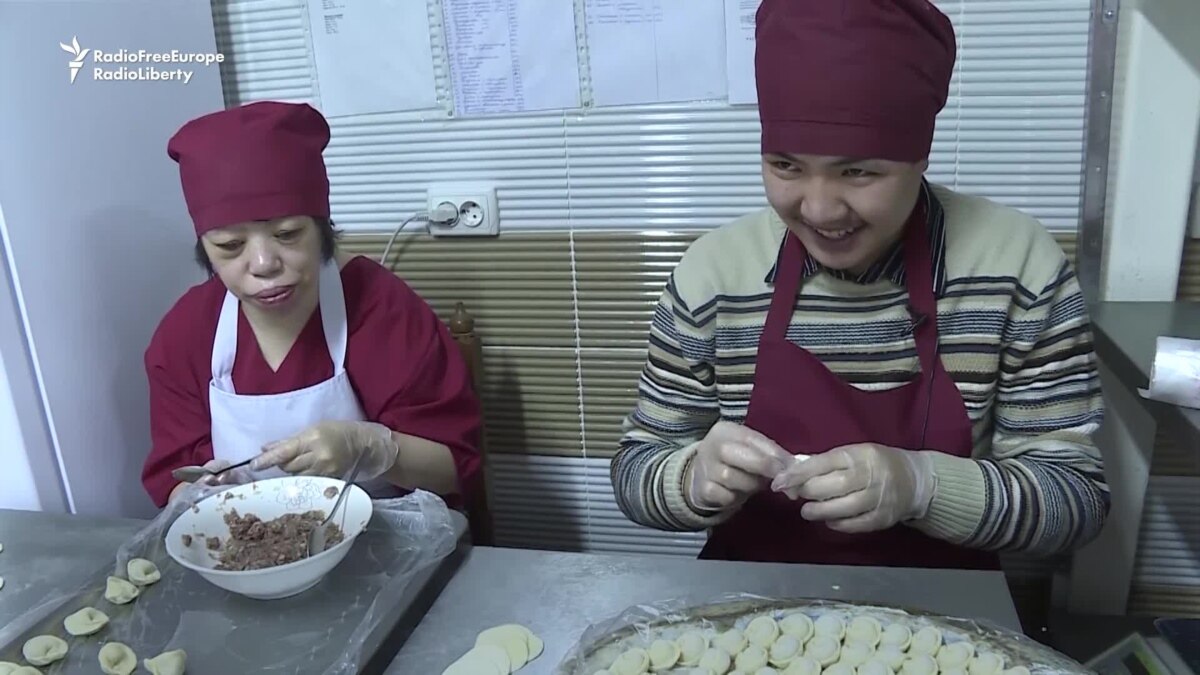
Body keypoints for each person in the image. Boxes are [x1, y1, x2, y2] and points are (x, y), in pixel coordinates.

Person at [609, 0, 1109, 568]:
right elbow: (635, 470)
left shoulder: (1016, 267)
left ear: (919, 156)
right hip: (749, 601)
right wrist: (689, 479)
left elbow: (1077, 500)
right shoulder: (715, 276)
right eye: (786, 166)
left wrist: (922, 486)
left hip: (945, 606)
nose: (819, 209)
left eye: (858, 171)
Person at [141, 100, 482, 508]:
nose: (264, 265)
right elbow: (174, 478)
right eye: (230, 246)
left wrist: (370, 448)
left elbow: (454, 469)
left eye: (288, 234)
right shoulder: (188, 331)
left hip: (383, 535)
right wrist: (202, 494)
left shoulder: (382, 309)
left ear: (322, 228)